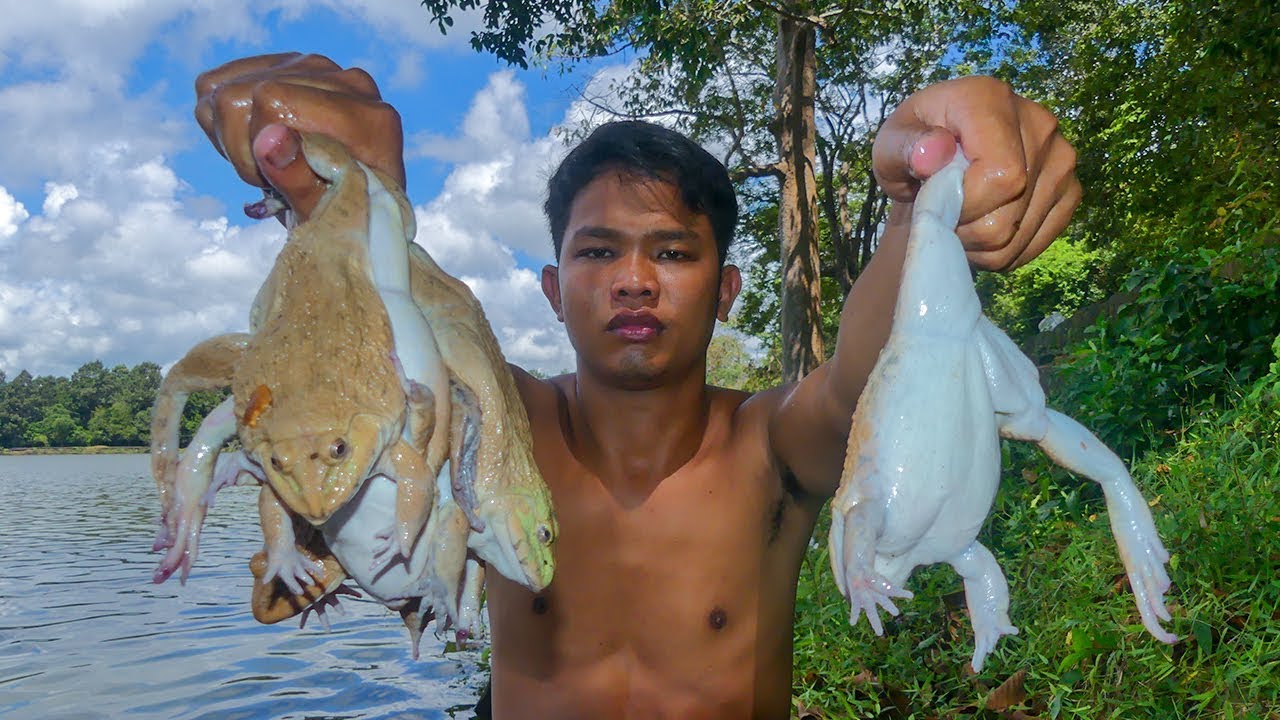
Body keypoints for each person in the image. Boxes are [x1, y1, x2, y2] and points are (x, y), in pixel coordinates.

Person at [194, 52, 1080, 719]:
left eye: (672, 251)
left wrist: (912, 202)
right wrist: (353, 197)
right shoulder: (498, 423)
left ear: (726, 289)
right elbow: (389, 340)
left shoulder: (770, 446)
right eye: (597, 251)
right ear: (553, 288)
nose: (633, 279)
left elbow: (866, 385)